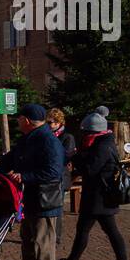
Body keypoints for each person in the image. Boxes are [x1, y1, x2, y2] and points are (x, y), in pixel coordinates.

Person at [0, 103, 65, 260]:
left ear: (26, 120)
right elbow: (12, 157)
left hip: (45, 199)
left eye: (19, 119)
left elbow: (54, 171)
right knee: (27, 237)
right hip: (28, 199)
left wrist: (24, 176)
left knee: (43, 239)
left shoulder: (48, 140)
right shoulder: (28, 138)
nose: (17, 121)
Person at [61, 106, 130, 260]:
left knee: (84, 229)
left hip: (98, 196)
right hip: (102, 195)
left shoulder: (102, 146)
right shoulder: (105, 142)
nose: (83, 135)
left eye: (86, 132)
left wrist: (75, 157)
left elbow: (90, 169)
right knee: (109, 230)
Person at [47, 107, 77, 251]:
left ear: (59, 122)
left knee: (57, 208)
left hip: (60, 178)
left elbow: (65, 156)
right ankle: (47, 234)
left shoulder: (67, 137)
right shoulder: (46, 135)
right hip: (48, 178)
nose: (49, 125)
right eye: (47, 122)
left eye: (51, 122)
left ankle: (56, 237)